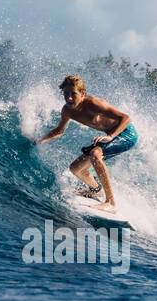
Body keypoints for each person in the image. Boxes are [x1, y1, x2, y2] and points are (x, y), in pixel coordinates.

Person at [32, 74, 138, 211]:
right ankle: (95, 189)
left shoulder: (94, 103)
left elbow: (126, 118)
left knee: (95, 154)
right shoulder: (67, 110)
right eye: (66, 93)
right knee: (76, 168)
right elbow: (59, 131)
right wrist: (40, 140)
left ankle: (110, 202)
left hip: (126, 134)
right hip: (112, 136)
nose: (69, 98)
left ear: (82, 93)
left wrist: (110, 136)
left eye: (73, 94)